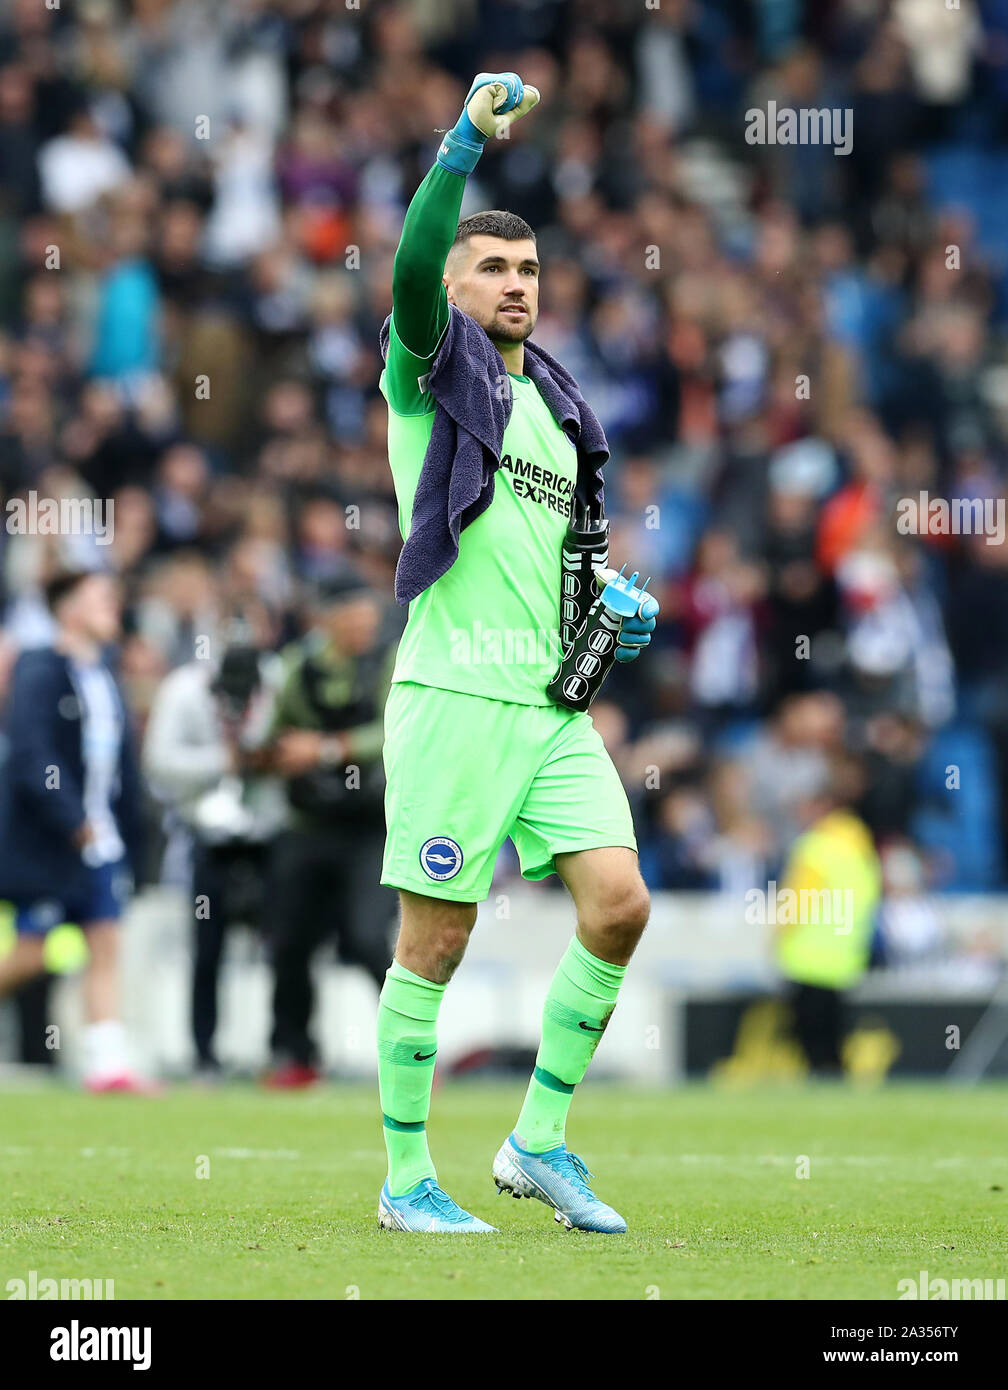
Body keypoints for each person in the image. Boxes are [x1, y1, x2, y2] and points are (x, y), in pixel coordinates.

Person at [374, 73, 659, 1234]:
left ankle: (536, 1141)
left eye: (529, 270)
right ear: (451, 286)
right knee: (436, 942)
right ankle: (404, 1184)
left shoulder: (560, 412)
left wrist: (612, 612)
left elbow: (566, 559)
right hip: (452, 694)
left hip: (547, 706)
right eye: (492, 268)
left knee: (623, 904)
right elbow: (407, 271)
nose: (515, 285)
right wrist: (461, 149)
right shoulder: (429, 379)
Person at [0, 569, 148, 1091]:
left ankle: (108, 1067)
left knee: (105, 942)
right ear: (69, 610)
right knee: (31, 953)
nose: (113, 606)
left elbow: (122, 769)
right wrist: (70, 818)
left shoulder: (104, 674)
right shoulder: (41, 667)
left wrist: (129, 833)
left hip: (99, 840)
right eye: (101, 598)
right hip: (53, 841)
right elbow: (30, 753)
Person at [263, 574, 398, 1087]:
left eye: (369, 618)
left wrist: (324, 749)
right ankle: (294, 1054)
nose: (365, 627)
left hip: (369, 828)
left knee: (368, 940)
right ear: (328, 621)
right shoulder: (297, 669)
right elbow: (273, 734)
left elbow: (395, 727)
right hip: (308, 825)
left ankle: (409, 1053)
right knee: (290, 943)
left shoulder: (387, 662)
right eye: (354, 619)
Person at [142, 624, 286, 1077]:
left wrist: (266, 756)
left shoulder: (279, 683)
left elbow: (291, 741)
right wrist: (221, 762)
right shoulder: (185, 690)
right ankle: (204, 1053)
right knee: (207, 948)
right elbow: (159, 762)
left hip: (267, 831)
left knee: (285, 945)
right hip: (208, 835)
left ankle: (285, 1049)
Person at [774, 758, 883, 1074]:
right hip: (845, 957)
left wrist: (777, 936)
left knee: (813, 1044)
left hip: (807, 957)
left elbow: (796, 901)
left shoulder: (815, 846)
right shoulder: (860, 844)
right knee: (834, 1042)